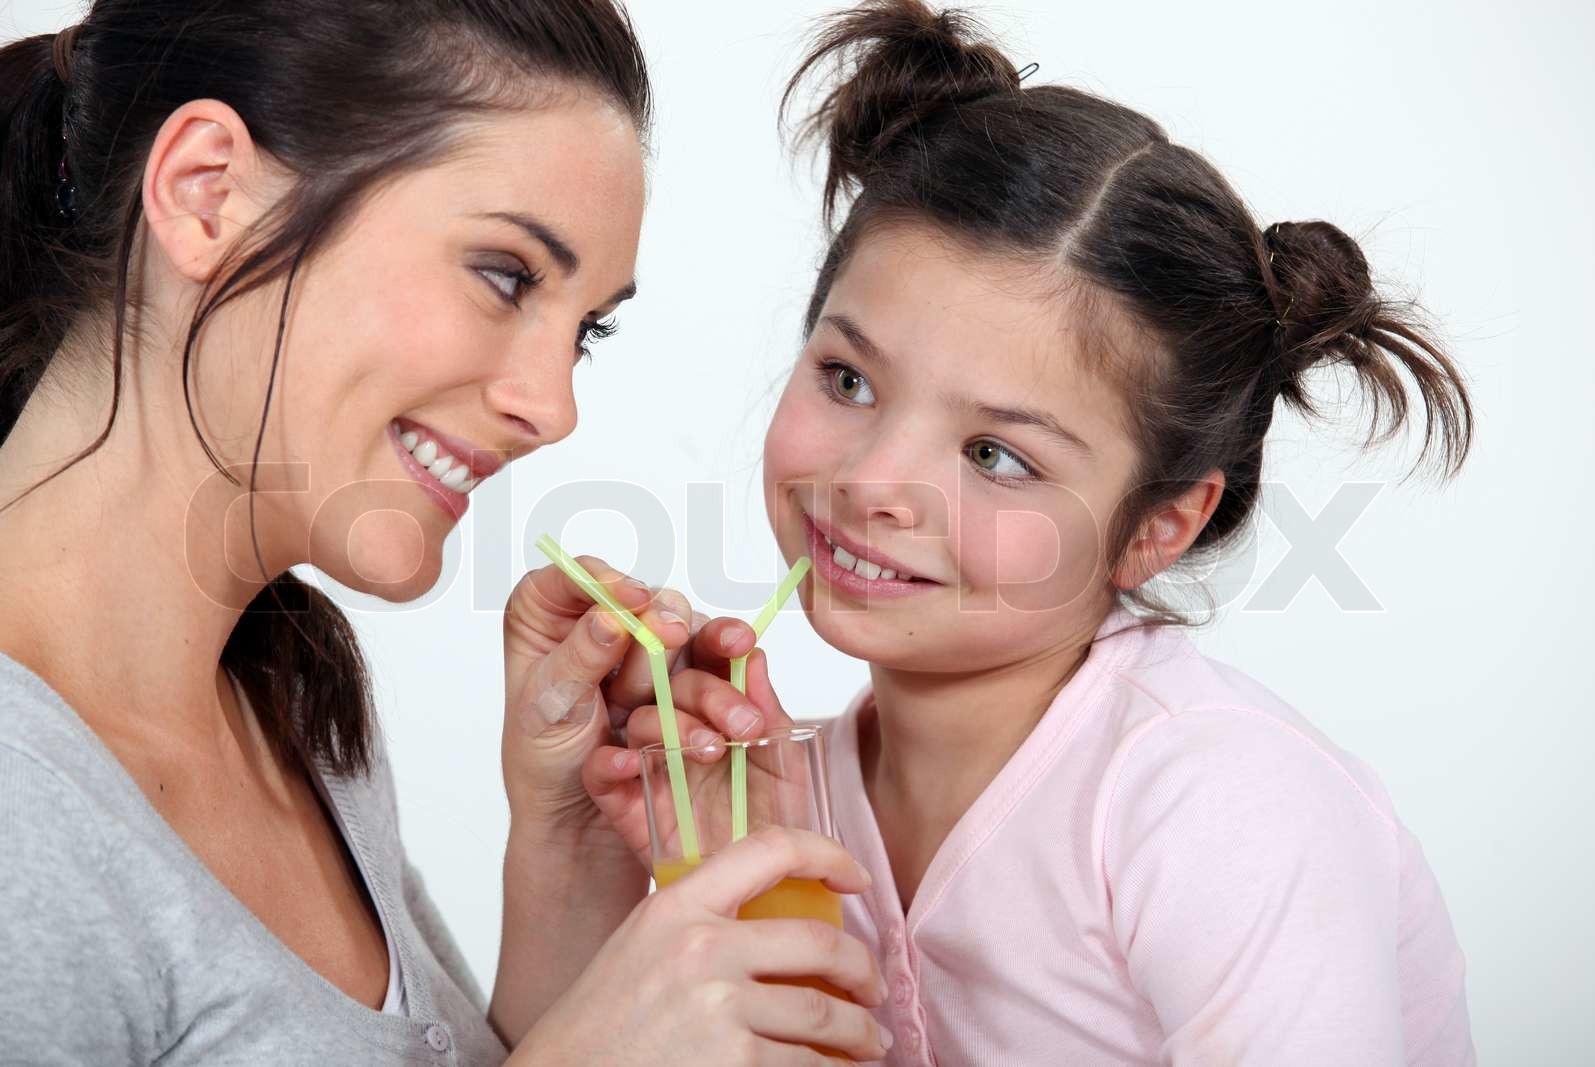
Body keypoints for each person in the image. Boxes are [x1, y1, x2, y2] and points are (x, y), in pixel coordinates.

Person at [0, 2, 893, 1064]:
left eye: (585, 330)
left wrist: (568, 847)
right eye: (507, 275)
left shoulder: (288, 698)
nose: (553, 408)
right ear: (208, 195)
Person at [584, 2, 1476, 1063]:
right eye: (849, 378)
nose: (872, 481)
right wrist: (766, 916)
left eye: (995, 455)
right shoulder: (783, 802)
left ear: (1157, 525)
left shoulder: (1217, 808)